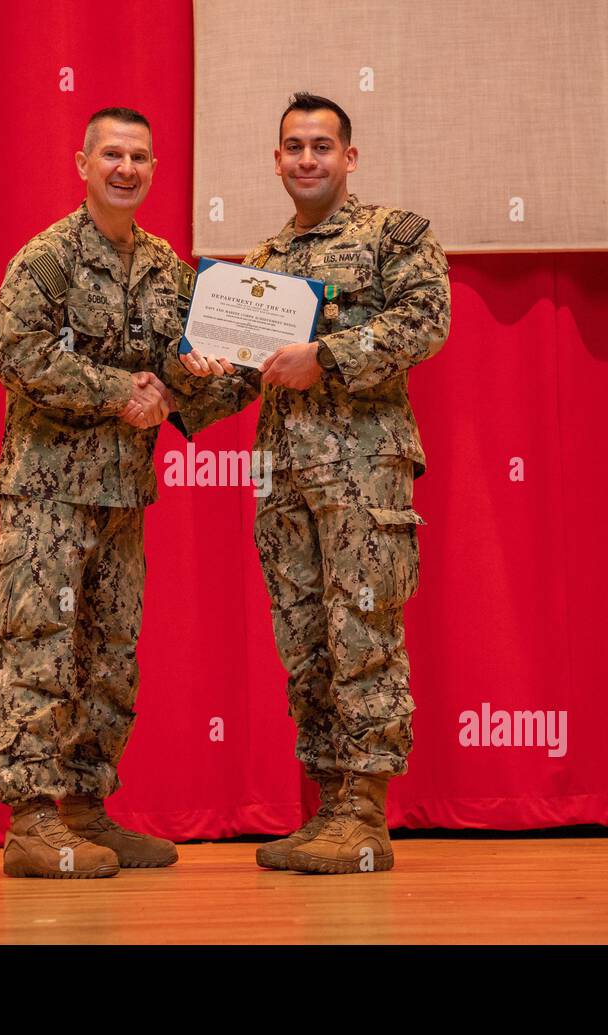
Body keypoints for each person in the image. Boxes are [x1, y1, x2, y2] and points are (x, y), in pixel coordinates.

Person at [170, 92, 452, 874]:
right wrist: (190, 376)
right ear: (276, 159)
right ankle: (329, 806)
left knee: (363, 637)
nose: (306, 159)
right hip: (285, 477)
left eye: (321, 146)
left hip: (364, 471)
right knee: (307, 644)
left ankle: (366, 815)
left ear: (348, 157)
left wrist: (324, 356)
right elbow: (239, 377)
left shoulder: (396, 235)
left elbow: (426, 320)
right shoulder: (258, 266)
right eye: (293, 146)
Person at [0, 106, 230, 878]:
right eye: (113, 155)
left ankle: (87, 812)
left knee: (110, 657)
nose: (127, 169)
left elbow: (185, 370)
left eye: (141, 158)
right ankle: (30, 821)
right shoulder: (46, 261)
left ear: (154, 170)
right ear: (81, 164)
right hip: (47, 493)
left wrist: (215, 372)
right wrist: (121, 389)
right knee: (40, 649)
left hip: (123, 496)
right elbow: (13, 351)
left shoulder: (165, 268)